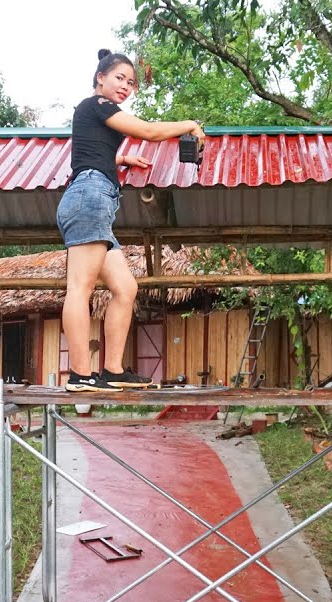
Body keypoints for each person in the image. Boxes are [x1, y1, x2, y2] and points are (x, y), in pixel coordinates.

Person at [57, 48, 205, 392]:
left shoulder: (96, 115)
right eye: (120, 78)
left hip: (97, 198)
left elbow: (88, 150)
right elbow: (150, 131)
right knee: (80, 288)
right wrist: (190, 125)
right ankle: (80, 376)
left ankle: (113, 370)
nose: (126, 86)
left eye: (131, 82)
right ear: (101, 78)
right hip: (89, 197)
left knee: (126, 288)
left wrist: (121, 158)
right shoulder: (97, 105)